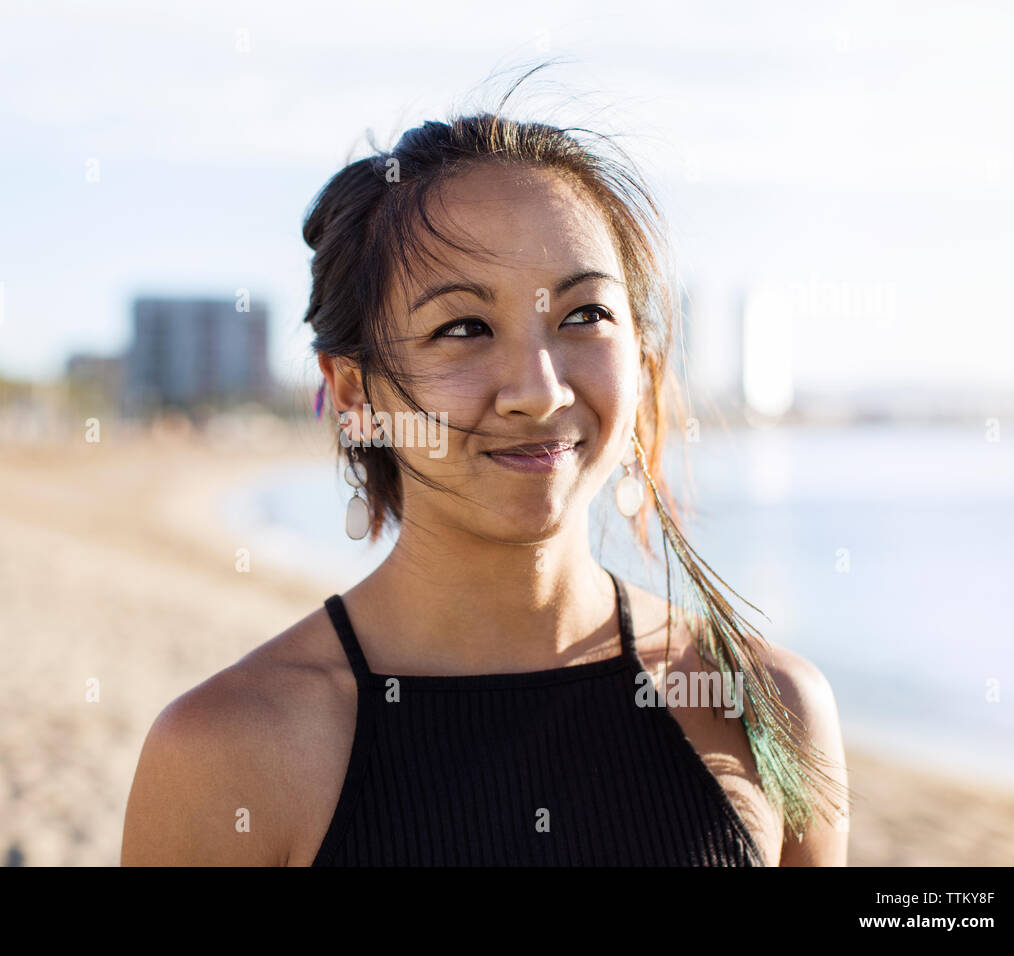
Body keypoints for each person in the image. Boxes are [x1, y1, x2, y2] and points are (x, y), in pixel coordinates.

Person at [122, 70, 851, 867]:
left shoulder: (765, 707)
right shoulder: (230, 752)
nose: (539, 389)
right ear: (353, 392)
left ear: (642, 363)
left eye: (584, 315)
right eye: (465, 327)